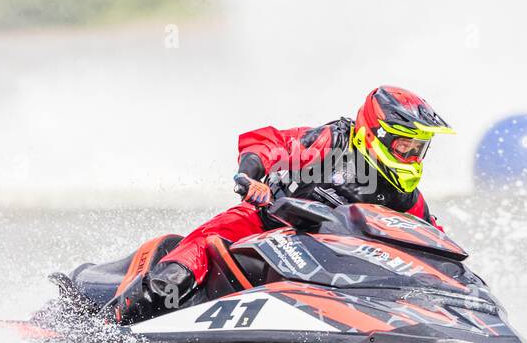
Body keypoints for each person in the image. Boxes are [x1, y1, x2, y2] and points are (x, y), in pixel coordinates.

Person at [108, 85, 454, 323]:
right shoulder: (333, 141)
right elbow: (271, 143)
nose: (410, 156)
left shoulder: (406, 197)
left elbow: (432, 244)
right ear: (374, 134)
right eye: (403, 146)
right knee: (197, 254)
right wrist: (251, 175)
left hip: (329, 268)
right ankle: (107, 329)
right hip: (267, 226)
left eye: (417, 149)